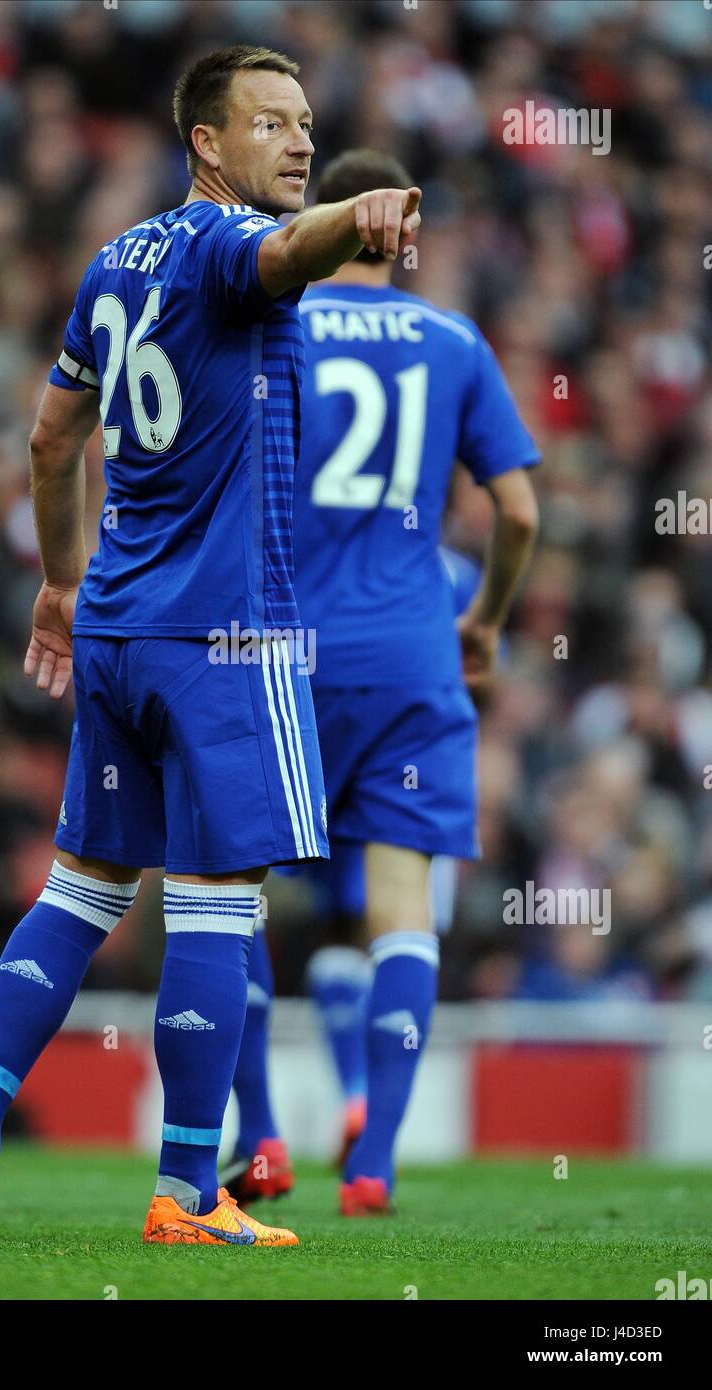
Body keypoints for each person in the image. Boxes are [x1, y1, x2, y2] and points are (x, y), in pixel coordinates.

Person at [0, 54, 421, 1247]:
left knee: (81, 892)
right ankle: (190, 1188)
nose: (297, 143)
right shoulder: (222, 248)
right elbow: (286, 257)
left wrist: (56, 584)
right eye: (268, 124)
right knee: (216, 903)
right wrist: (367, 211)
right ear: (205, 141)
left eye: (307, 124)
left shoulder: (113, 260)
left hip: (116, 629)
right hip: (225, 637)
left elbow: (50, 440)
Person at [225, 149, 538, 1216]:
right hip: (411, 652)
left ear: (322, 222)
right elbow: (523, 511)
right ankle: (374, 1162)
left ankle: (260, 1135)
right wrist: (484, 622)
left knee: (229, 899)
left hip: (278, 651)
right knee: (404, 913)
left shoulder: (274, 326)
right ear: (402, 232)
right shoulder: (453, 341)